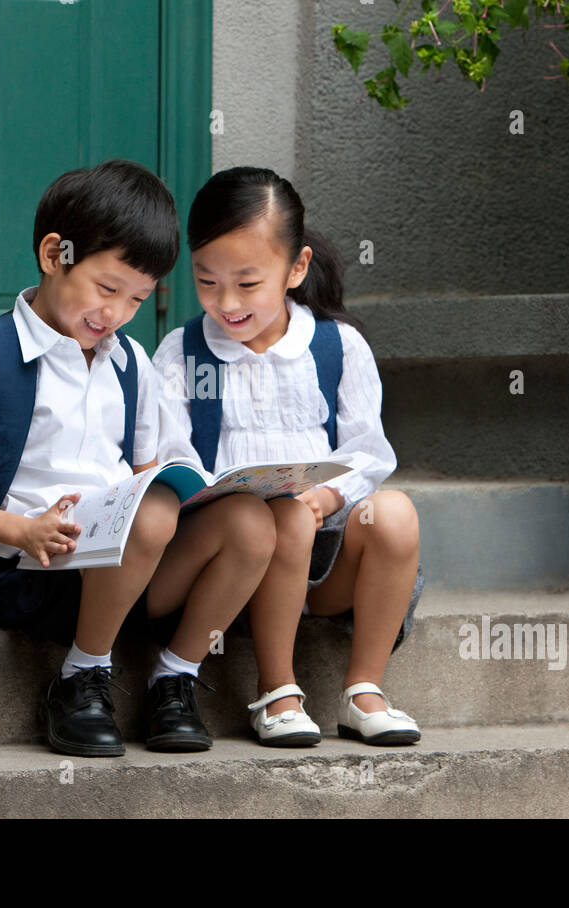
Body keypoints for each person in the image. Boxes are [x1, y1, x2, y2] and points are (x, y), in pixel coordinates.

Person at [0, 159, 276, 757]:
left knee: (250, 521)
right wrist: (21, 529)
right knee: (149, 513)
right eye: (107, 289)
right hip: (24, 571)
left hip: (120, 572)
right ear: (55, 255)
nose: (117, 314)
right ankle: (82, 677)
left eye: (137, 299)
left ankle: (174, 677)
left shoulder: (130, 362)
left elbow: (141, 476)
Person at [152, 166, 423, 747]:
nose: (227, 303)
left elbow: (368, 451)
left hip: (323, 564)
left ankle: (364, 690)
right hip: (233, 565)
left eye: (248, 284)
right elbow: (170, 454)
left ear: (295, 268)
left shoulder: (336, 346)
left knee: (394, 512)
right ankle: (278, 690)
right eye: (207, 282)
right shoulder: (183, 352)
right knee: (283, 514)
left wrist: (328, 495)